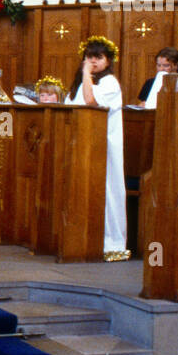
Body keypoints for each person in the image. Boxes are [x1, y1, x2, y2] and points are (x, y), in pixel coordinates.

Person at [67, 36, 127, 261]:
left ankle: (110, 242)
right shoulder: (82, 81)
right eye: (89, 57)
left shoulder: (110, 82)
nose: (92, 61)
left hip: (102, 146)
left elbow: (91, 101)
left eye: (98, 57)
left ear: (108, 61)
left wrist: (85, 73)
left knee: (106, 190)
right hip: (81, 145)